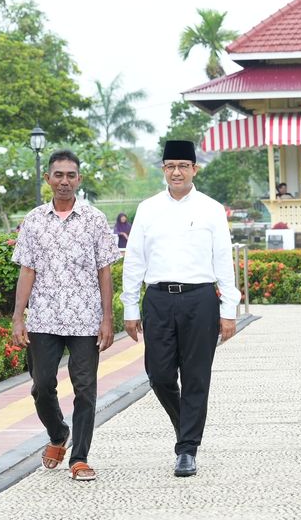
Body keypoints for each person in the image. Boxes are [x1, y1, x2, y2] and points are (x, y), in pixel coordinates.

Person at [122, 140, 241, 478]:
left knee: (195, 378)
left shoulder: (211, 208)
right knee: (159, 375)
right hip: (158, 299)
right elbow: (134, 260)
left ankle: (187, 448)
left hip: (200, 300)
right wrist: (130, 307)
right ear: (163, 169)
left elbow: (223, 260)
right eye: (170, 166)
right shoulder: (147, 208)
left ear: (194, 169)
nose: (176, 172)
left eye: (183, 166)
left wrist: (228, 308)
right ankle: (185, 423)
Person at [11, 150, 120, 482]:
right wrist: (18, 317)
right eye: (58, 175)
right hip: (44, 317)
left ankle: (79, 457)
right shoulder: (34, 220)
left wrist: (107, 317)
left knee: (85, 388)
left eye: (71, 175)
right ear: (48, 179)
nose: (64, 181)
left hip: (86, 318)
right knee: (42, 385)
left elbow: (105, 272)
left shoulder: (95, 219)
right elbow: (27, 270)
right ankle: (58, 433)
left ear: (79, 180)